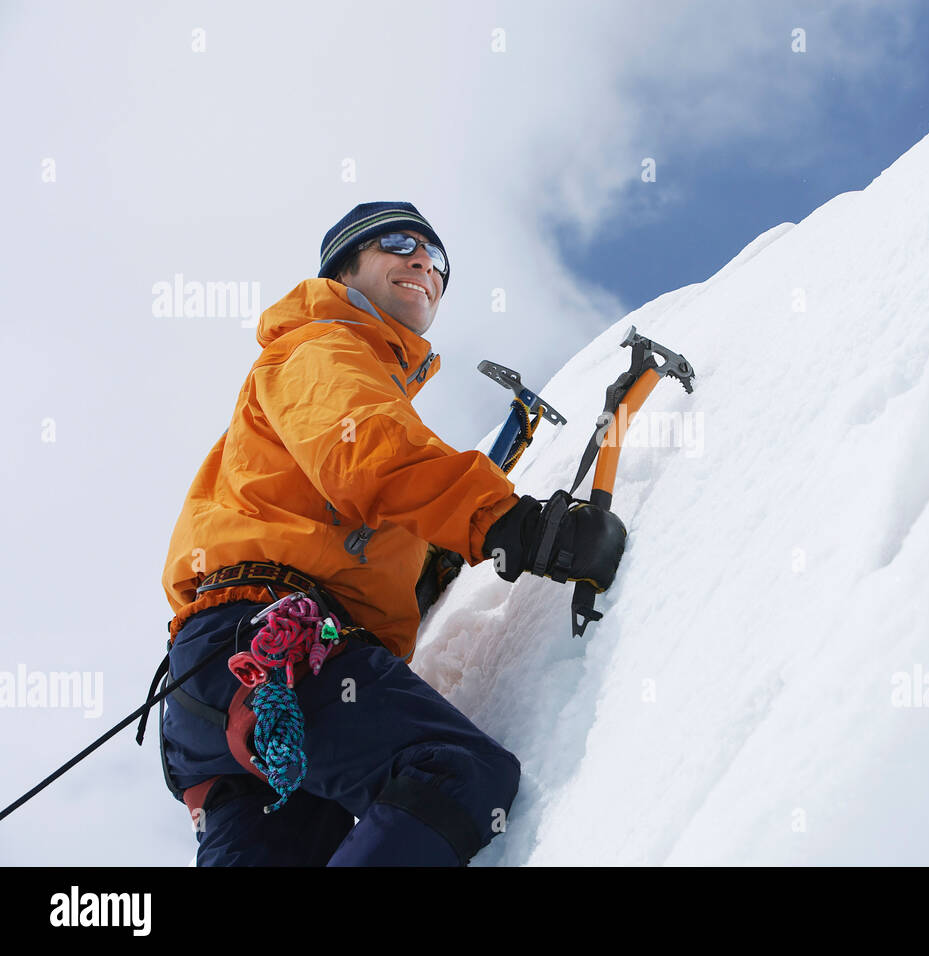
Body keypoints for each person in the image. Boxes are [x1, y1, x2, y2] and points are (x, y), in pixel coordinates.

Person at [157, 201, 626, 866]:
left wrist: (422, 572)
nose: (422, 264)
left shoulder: (338, 375)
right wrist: (514, 523)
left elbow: (352, 503)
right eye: (399, 244)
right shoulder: (322, 344)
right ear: (345, 270)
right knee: (454, 773)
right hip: (271, 644)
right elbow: (369, 453)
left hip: (222, 675)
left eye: (437, 261)